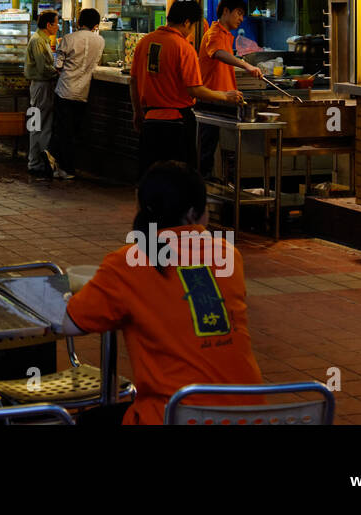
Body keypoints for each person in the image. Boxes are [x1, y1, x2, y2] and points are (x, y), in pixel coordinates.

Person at [63, 162, 264, 425]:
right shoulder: (228, 255)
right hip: (250, 417)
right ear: (193, 213)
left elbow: (71, 323)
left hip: (172, 416)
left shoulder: (129, 262)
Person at [130, 0, 243, 177]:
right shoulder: (183, 47)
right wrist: (225, 96)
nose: (191, 32)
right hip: (177, 123)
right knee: (180, 178)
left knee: (149, 176)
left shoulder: (144, 42)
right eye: (192, 26)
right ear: (187, 22)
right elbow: (195, 90)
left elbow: (133, 82)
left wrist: (137, 112)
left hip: (149, 120)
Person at [198, 0, 264, 178]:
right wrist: (246, 65)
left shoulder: (226, 35)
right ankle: (203, 188)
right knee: (207, 149)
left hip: (224, 101)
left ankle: (223, 184)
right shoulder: (215, 33)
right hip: (211, 100)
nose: (241, 19)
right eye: (239, 13)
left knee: (224, 148)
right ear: (226, 11)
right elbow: (217, 53)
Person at [51, 7, 106, 179]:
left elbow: (57, 65)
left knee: (62, 131)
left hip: (65, 90)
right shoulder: (100, 41)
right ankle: (67, 167)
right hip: (83, 92)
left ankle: (63, 167)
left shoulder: (68, 38)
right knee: (74, 131)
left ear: (79, 22)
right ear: (95, 25)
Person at [25, 10, 63, 179]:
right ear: (48, 25)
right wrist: (58, 73)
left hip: (38, 86)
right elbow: (43, 68)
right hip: (41, 86)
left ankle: (35, 161)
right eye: (56, 23)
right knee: (42, 123)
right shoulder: (39, 41)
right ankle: (39, 163)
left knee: (35, 124)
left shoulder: (41, 39)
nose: (58, 26)